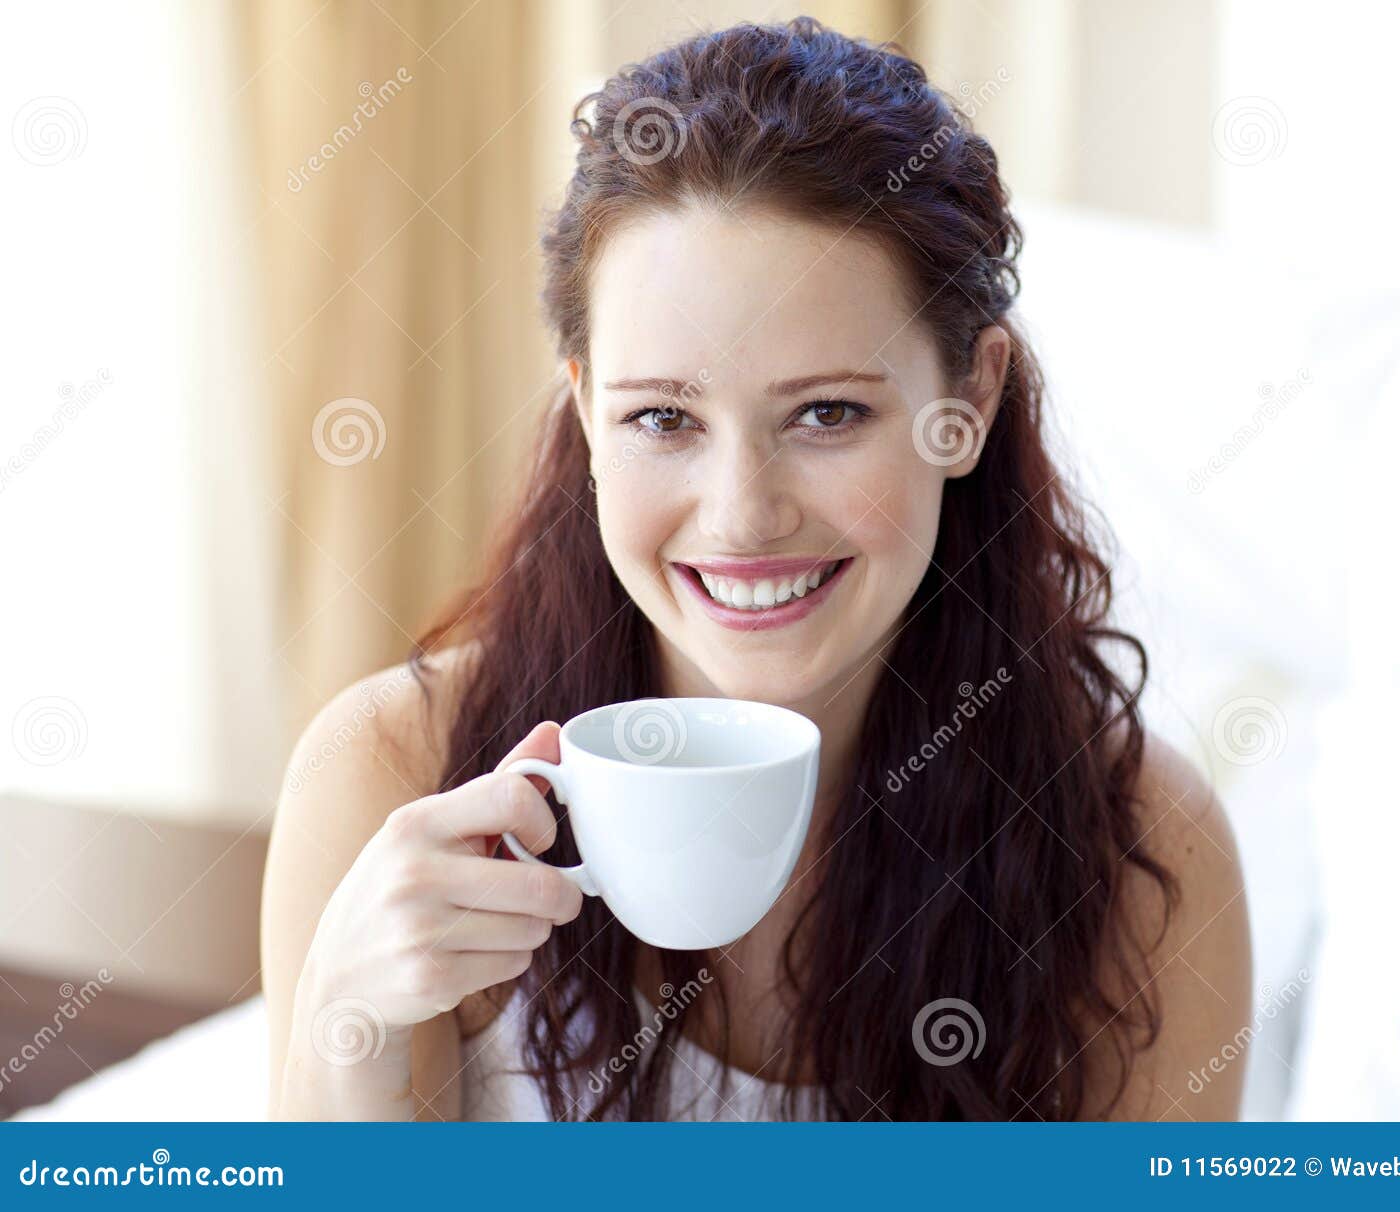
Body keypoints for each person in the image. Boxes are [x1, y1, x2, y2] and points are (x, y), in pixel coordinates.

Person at [263, 15, 1251, 1121]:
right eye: (662, 417)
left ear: (966, 402)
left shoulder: (1142, 850)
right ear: (586, 407)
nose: (741, 518)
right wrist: (347, 1045)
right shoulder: (390, 775)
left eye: (828, 413)